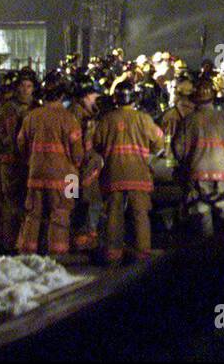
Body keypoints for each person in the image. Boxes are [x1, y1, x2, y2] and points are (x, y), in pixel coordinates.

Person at [93, 80, 163, 262]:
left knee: (113, 213)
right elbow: (159, 144)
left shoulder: (106, 120)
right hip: (138, 174)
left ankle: (112, 253)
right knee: (140, 214)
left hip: (113, 174)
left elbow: (96, 144)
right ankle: (142, 253)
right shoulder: (144, 119)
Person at [16, 73, 84, 256]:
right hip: (67, 176)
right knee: (62, 213)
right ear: (62, 95)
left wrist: (31, 162)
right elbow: (78, 154)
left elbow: (21, 143)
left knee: (33, 214)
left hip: (35, 174)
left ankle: (27, 251)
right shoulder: (69, 119)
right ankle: (58, 254)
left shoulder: (31, 117)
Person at [173, 82, 224, 236]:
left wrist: (186, 164)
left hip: (197, 177)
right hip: (221, 176)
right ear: (212, 98)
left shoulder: (187, 121)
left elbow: (177, 149)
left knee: (202, 221)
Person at [0, 67, 38, 253]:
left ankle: (21, 241)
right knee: (11, 202)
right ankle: (9, 243)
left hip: (29, 163)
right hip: (10, 162)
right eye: (22, 86)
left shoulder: (35, 108)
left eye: (29, 86)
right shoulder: (9, 108)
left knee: (27, 203)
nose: (25, 90)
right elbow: (1, 137)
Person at [68, 76, 104, 252]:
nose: (96, 99)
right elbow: (82, 145)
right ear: (85, 96)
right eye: (94, 96)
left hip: (74, 169)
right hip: (78, 170)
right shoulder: (78, 115)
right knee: (84, 202)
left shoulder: (80, 112)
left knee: (75, 201)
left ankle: (76, 238)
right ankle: (83, 239)